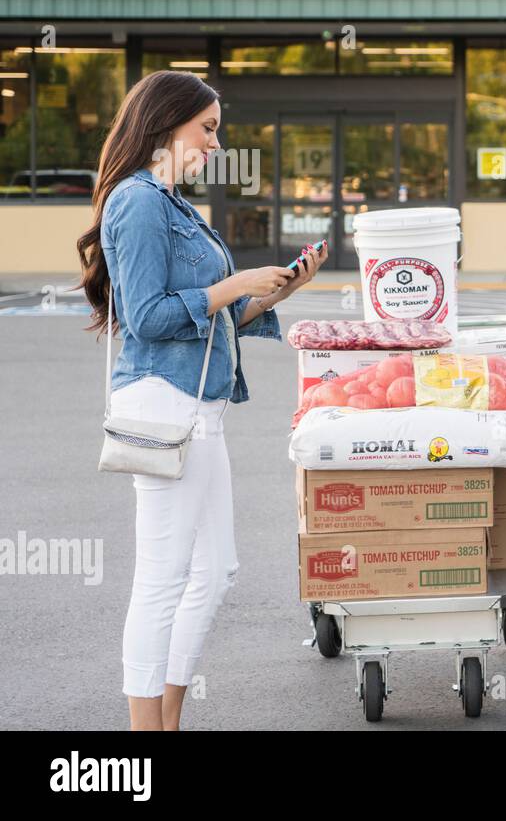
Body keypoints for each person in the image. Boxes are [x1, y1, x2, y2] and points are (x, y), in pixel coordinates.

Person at [74, 70, 327, 730]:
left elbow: (213, 318)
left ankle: (169, 718)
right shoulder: (137, 202)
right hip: (163, 406)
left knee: (216, 572)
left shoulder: (175, 203)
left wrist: (274, 293)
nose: (217, 143)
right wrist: (233, 282)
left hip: (200, 410)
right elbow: (150, 317)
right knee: (161, 580)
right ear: (165, 125)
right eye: (207, 128)